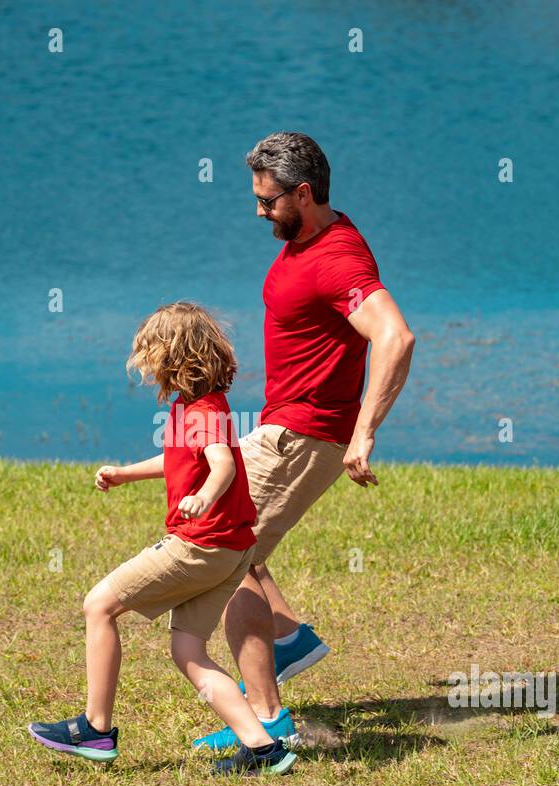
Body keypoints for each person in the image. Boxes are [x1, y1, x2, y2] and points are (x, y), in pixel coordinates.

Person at [193, 132, 417, 751]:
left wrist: (363, 433)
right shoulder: (311, 238)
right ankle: (288, 637)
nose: (258, 211)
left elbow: (395, 338)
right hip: (284, 426)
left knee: (221, 556)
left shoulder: (339, 258)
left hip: (302, 436)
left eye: (268, 201)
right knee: (239, 550)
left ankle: (266, 725)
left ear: (304, 193)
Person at [27, 301, 298, 776]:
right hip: (231, 551)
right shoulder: (198, 406)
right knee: (188, 651)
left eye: (149, 353)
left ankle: (95, 728)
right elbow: (177, 460)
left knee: (99, 605)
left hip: (200, 544)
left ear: (175, 357)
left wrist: (205, 499)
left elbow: (223, 465)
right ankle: (264, 748)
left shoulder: (202, 413)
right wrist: (125, 474)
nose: (145, 364)